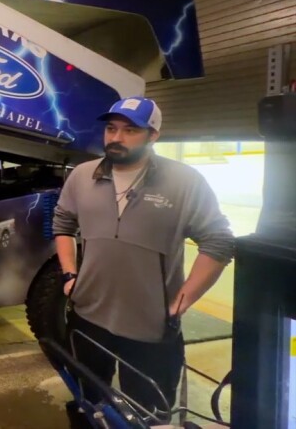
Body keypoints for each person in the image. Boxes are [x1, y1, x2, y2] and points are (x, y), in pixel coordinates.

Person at [52, 96, 235, 424]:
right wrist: (69, 274)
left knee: (147, 415)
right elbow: (63, 223)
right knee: (88, 404)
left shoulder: (184, 182)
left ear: (153, 136)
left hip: (150, 326)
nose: (116, 137)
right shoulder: (82, 176)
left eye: (130, 130)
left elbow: (219, 241)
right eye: (111, 128)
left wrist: (183, 300)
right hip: (88, 318)